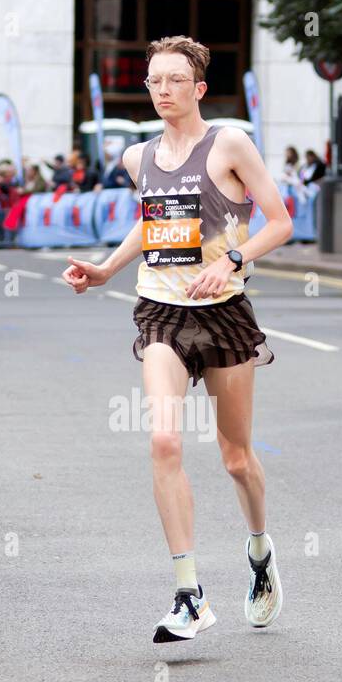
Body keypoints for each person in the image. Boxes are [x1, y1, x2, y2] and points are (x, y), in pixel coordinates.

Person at [62, 35, 294, 643]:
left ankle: (261, 554)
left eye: (173, 81)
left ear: (198, 89)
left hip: (223, 315)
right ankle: (189, 594)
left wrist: (233, 260)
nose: (162, 91)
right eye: (153, 81)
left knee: (236, 458)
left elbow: (281, 220)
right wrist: (107, 270)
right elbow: (152, 222)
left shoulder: (231, 144)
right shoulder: (140, 158)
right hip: (161, 313)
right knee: (164, 440)